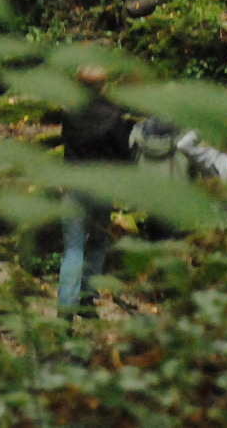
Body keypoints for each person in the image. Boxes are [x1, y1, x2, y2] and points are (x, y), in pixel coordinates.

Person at [59, 64, 132, 316]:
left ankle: (65, 311)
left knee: (73, 248)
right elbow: (123, 154)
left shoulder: (69, 109)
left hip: (74, 184)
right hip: (102, 186)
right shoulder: (115, 114)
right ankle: (87, 300)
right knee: (98, 243)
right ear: (103, 85)